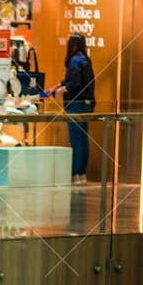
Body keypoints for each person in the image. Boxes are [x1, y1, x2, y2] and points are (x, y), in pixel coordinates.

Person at [49, 33, 96, 183]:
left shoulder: (74, 61)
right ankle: (82, 174)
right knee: (83, 140)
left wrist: (60, 90)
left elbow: (74, 83)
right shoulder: (86, 60)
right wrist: (59, 85)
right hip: (86, 104)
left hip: (75, 104)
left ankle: (75, 174)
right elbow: (76, 80)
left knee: (76, 140)